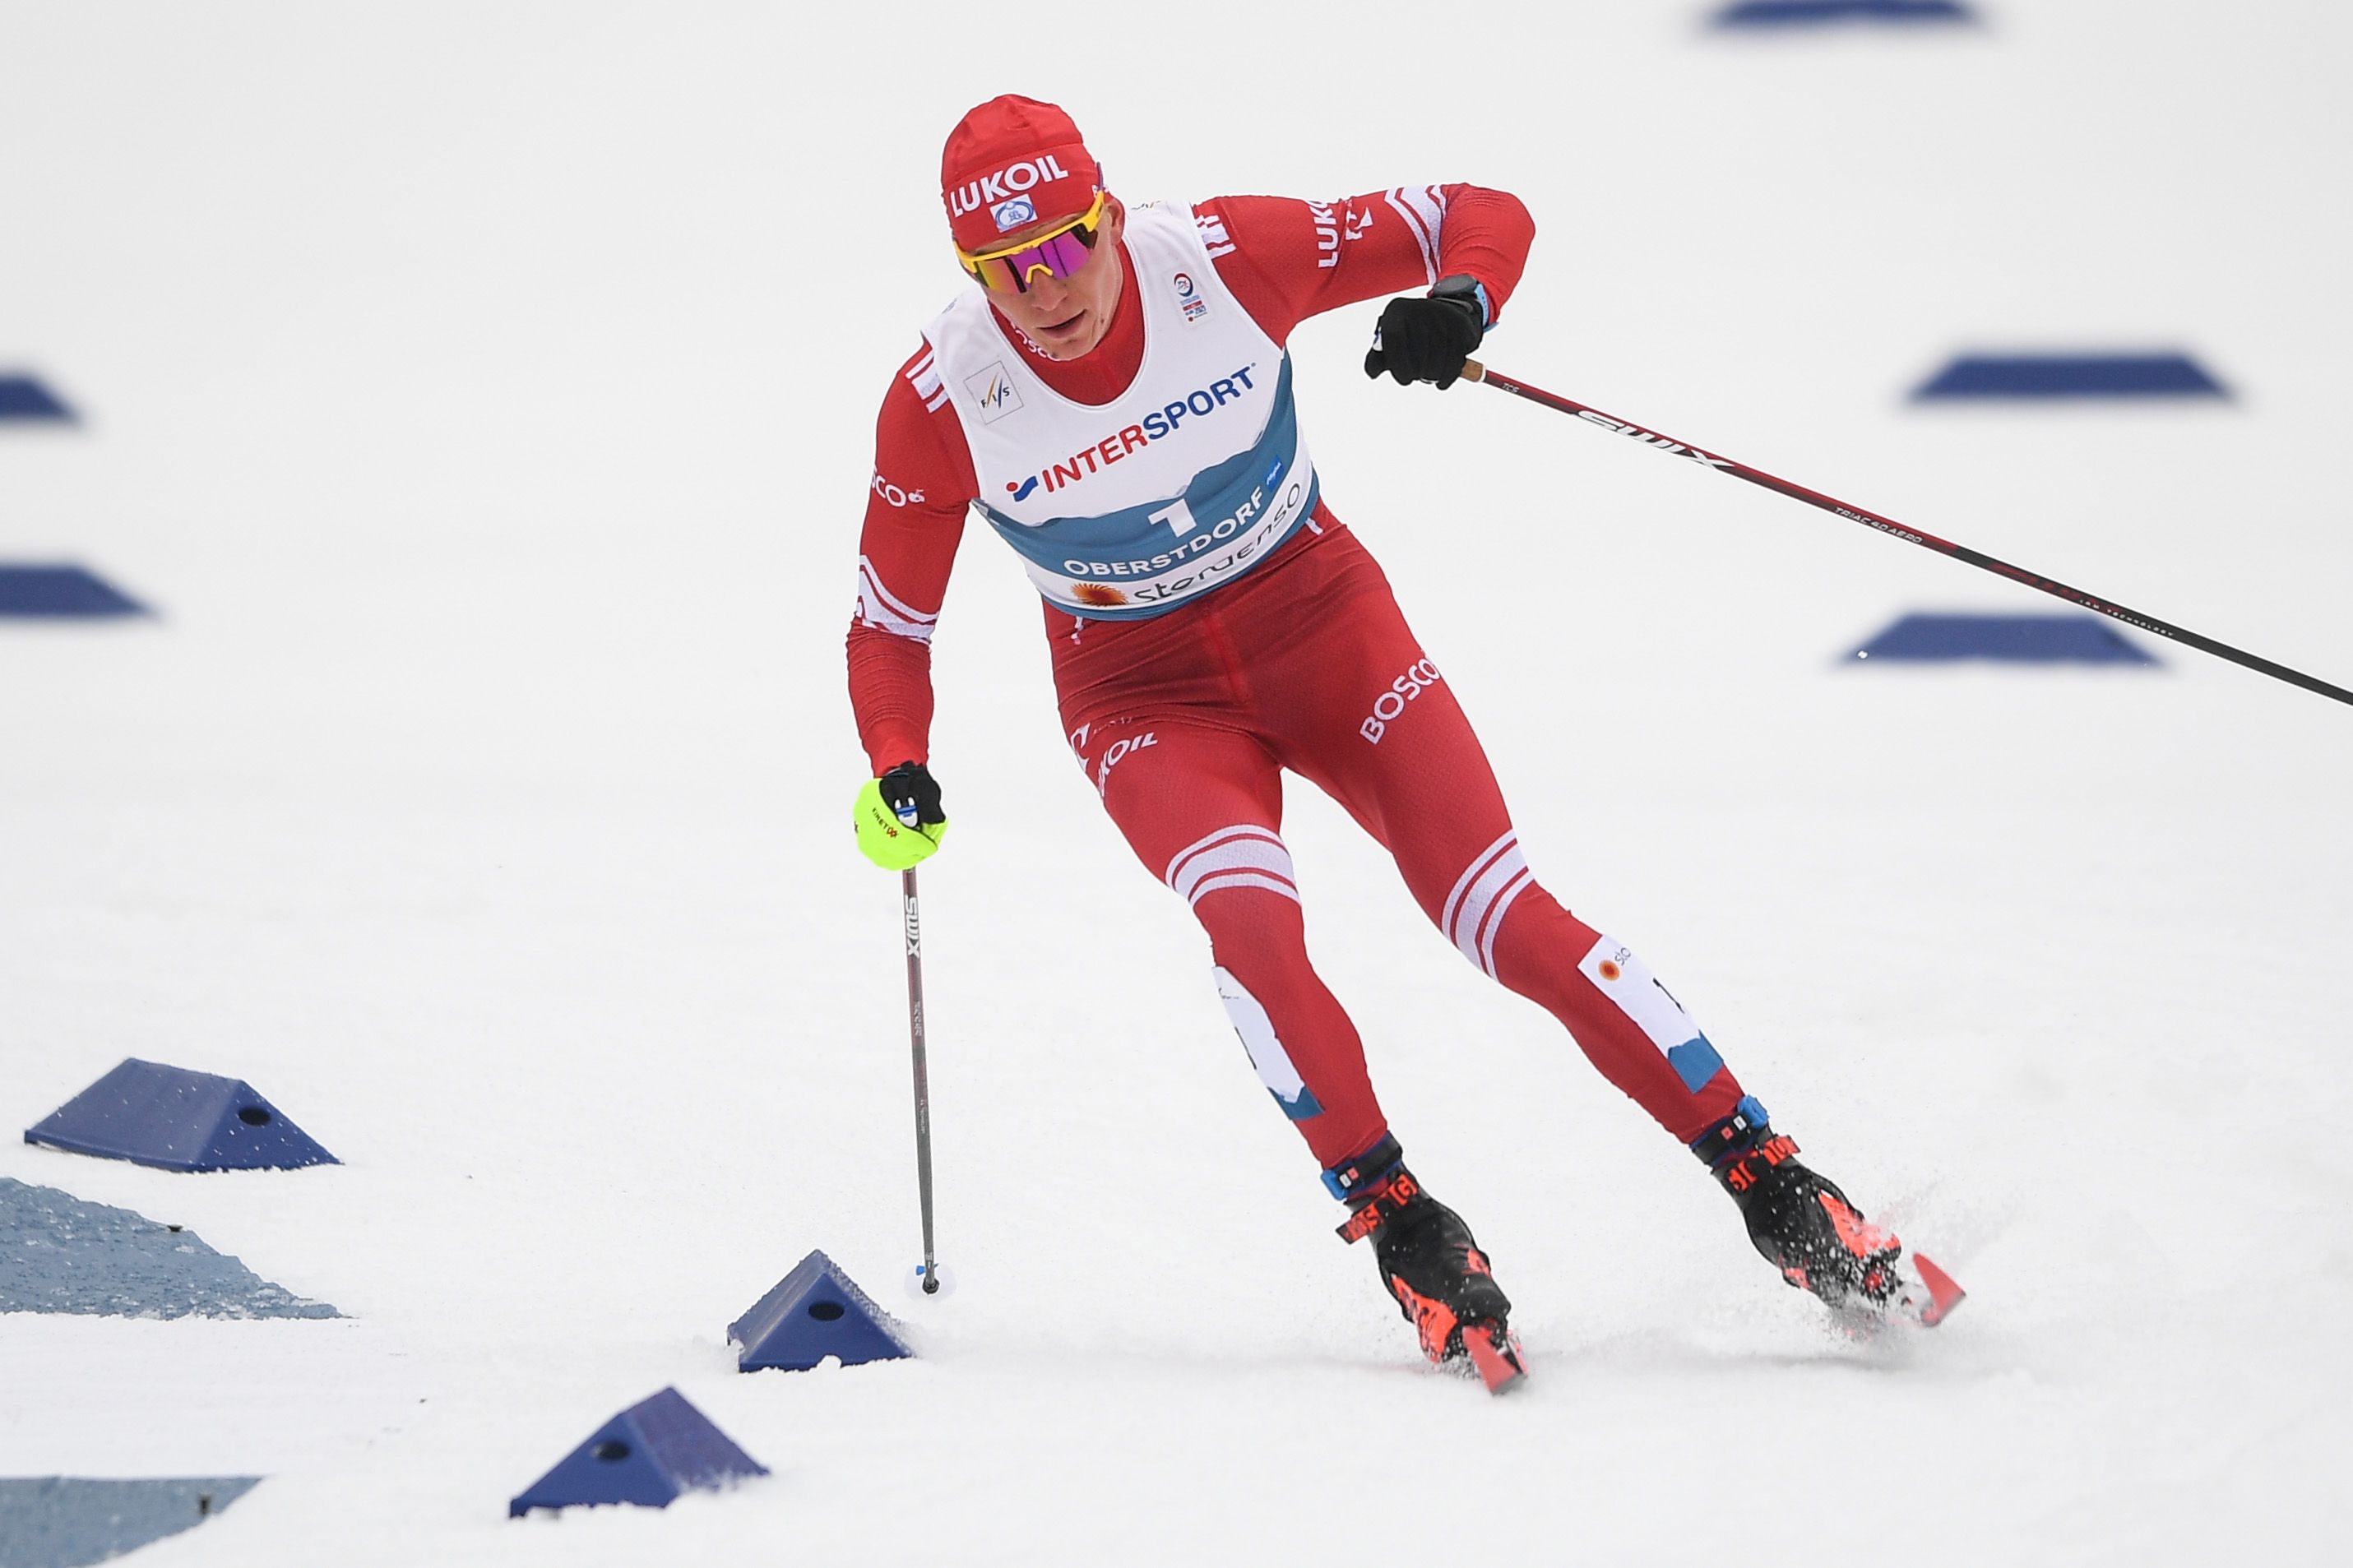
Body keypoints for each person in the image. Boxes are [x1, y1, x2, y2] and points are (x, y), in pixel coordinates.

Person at [845, 95, 1958, 1392]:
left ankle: (1776, 1186)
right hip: (1141, 696)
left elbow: (1478, 216)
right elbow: (887, 628)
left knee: (1499, 913)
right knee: (1250, 924)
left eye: (1064, 244)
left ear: (1107, 214)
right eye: (1003, 267)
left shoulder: (1222, 258)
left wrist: (1459, 306)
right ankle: (1403, 1224)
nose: (1045, 289)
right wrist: (897, 760)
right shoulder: (941, 399)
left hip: (1322, 626)